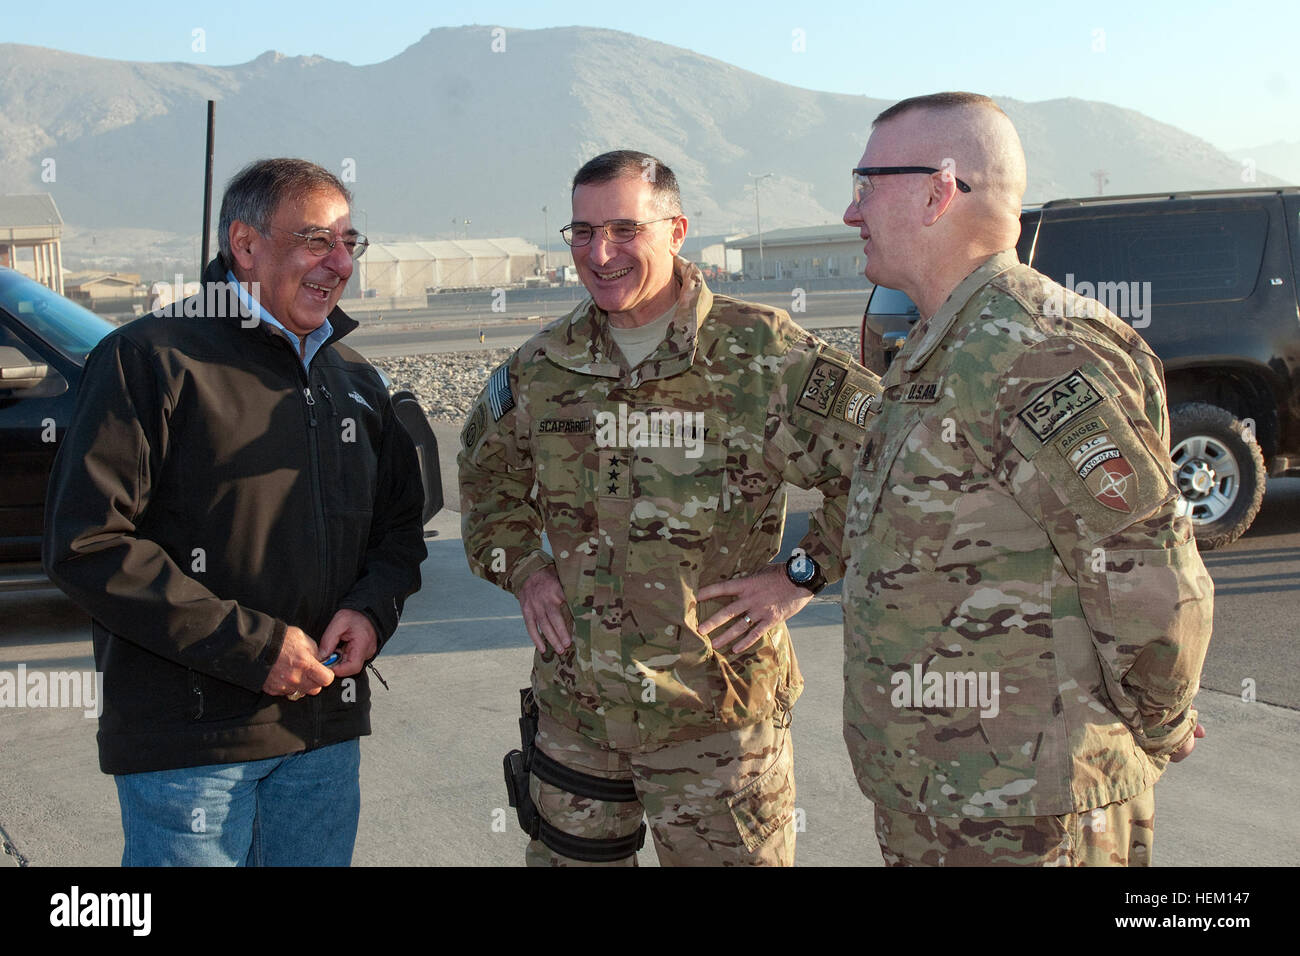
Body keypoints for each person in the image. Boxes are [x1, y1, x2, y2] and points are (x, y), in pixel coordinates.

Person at [459, 150, 880, 866]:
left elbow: (892, 460)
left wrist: (801, 574)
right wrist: (527, 570)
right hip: (578, 717)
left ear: (676, 228)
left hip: (716, 721)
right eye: (582, 232)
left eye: (625, 228)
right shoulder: (542, 368)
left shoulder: (761, 355)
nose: (601, 253)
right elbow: (485, 484)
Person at [840, 93, 1214, 866]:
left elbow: (1146, 567)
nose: (851, 210)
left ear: (938, 190)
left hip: (1027, 812)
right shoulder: (939, 348)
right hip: (942, 794)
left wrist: (1162, 718)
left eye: (867, 182)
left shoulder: (1033, 349)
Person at [43, 158, 427, 866]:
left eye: (350, 242)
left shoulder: (355, 380)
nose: (340, 263)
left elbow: (401, 529)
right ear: (246, 246)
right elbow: (88, 544)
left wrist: (372, 611)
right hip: (193, 749)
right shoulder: (147, 360)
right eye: (317, 240)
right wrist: (253, 648)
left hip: (324, 739)